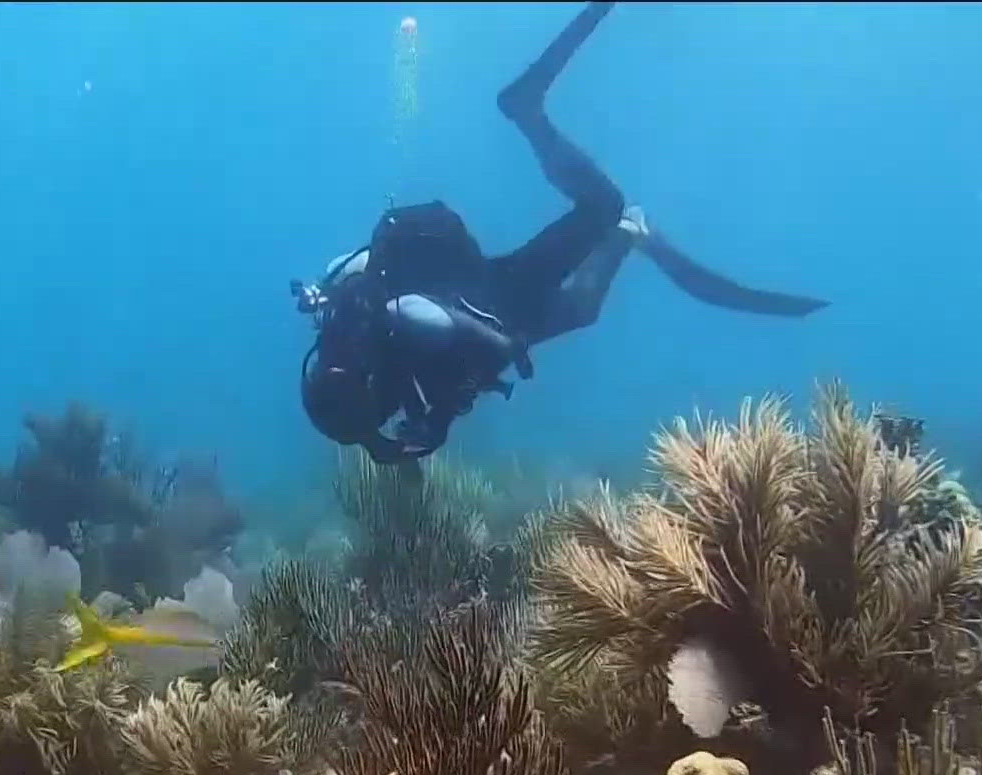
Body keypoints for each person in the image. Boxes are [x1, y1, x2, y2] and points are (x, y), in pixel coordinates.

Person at [293, 1, 828, 464]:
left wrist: (455, 404)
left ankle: (531, 116)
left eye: (368, 425)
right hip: (476, 291)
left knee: (600, 207)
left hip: (489, 302)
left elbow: (478, 339)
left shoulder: (393, 326)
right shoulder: (348, 365)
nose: (374, 428)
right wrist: (399, 437)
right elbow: (386, 416)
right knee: (583, 308)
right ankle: (625, 233)